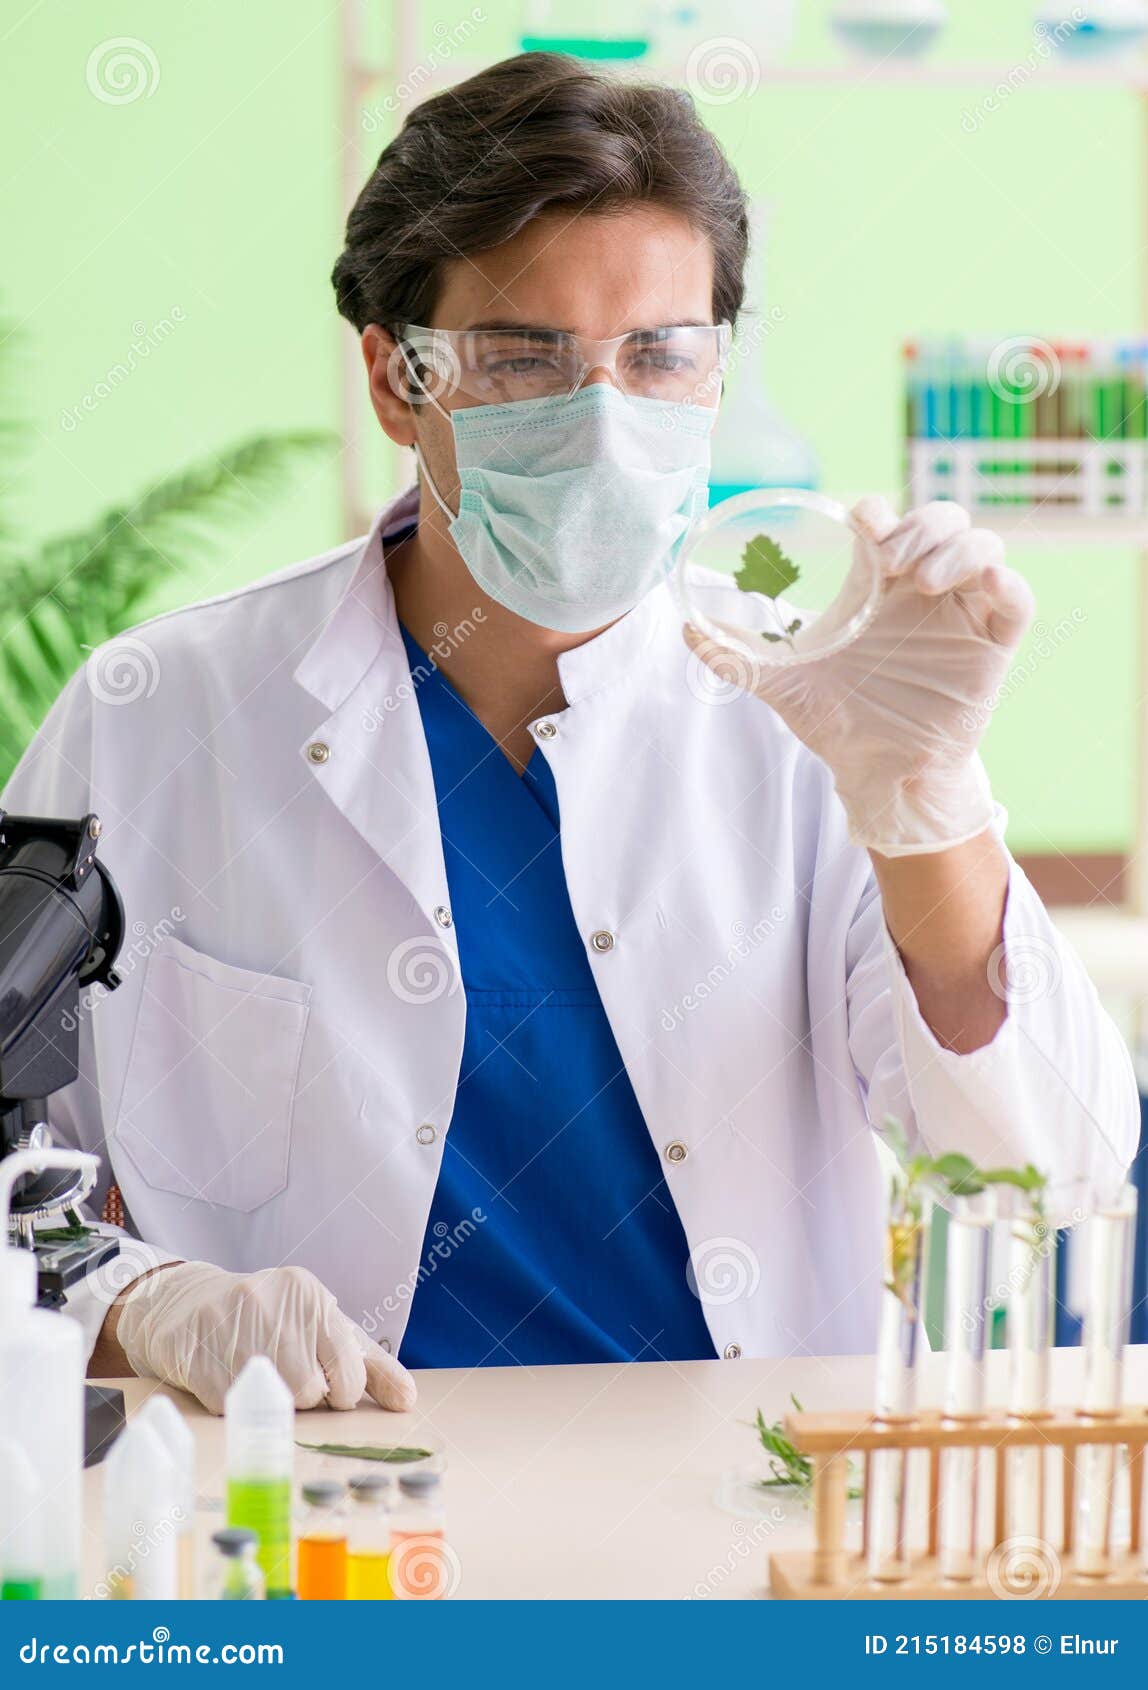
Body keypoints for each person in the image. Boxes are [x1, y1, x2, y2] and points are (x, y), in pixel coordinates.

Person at [4, 53, 1137, 1417]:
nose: (605, 423)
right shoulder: (157, 717)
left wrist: (928, 798)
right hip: (313, 1501)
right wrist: (140, 1298)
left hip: (738, 1508)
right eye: (525, 357)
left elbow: (1046, 1179)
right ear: (393, 376)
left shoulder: (824, 715)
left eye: (660, 355)